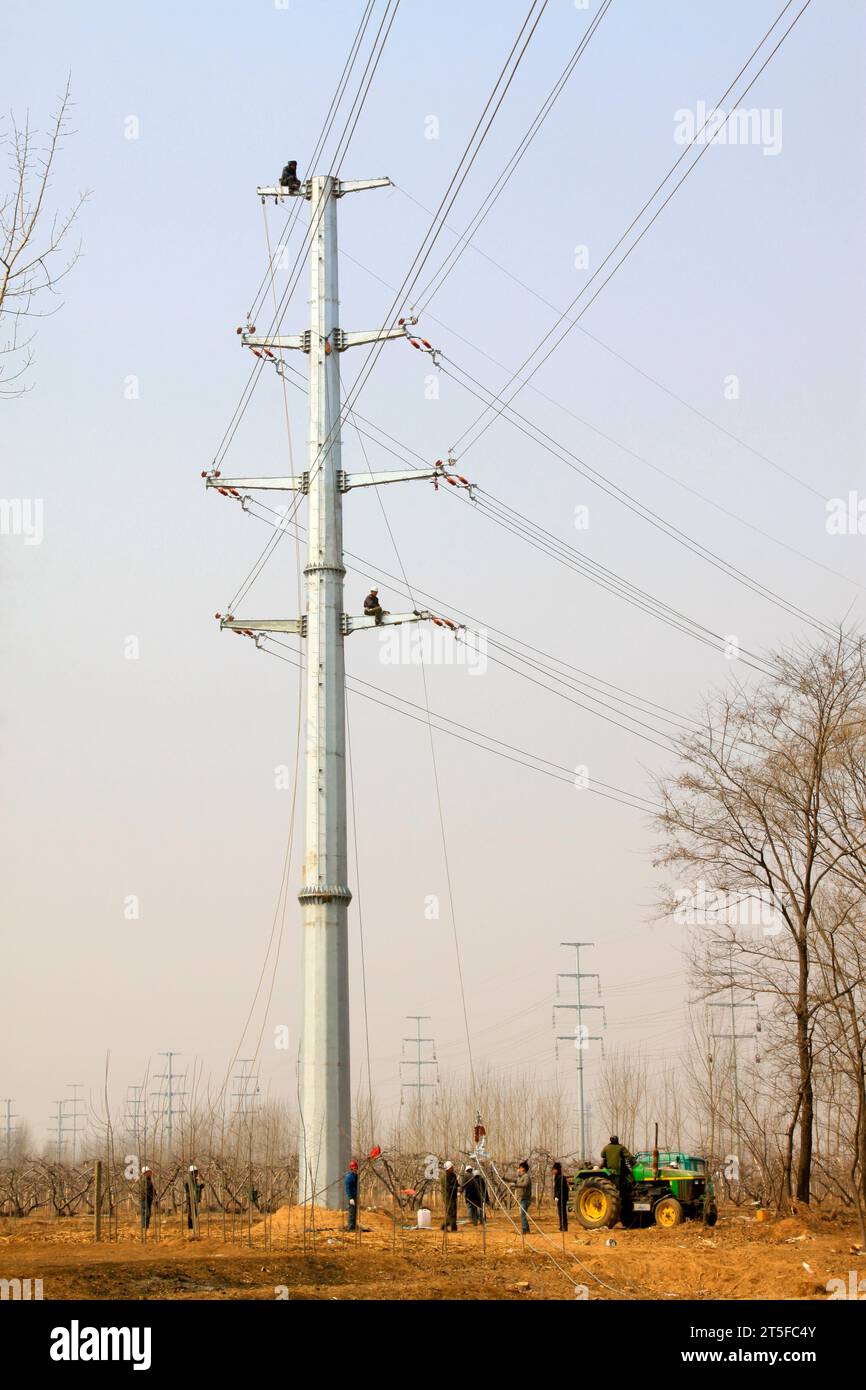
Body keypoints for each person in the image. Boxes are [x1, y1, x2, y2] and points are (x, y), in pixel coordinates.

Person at [439, 1160, 458, 1231]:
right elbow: (448, 1187)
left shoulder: (453, 1175)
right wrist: (455, 1187)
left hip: (453, 1196)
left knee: (454, 1212)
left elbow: (456, 1183)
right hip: (447, 1197)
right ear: (448, 1168)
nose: (453, 1168)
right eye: (451, 1167)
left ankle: (450, 1227)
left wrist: (460, 1187)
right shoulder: (444, 1177)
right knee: (451, 1212)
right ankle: (447, 1226)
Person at [514, 1160, 532, 1235]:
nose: (519, 1169)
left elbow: (525, 1185)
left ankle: (525, 1230)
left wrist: (515, 1185)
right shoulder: (521, 1177)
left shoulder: (526, 1177)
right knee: (522, 1214)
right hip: (522, 1199)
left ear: (523, 1168)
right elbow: (514, 1181)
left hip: (525, 1199)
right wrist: (503, 1178)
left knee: (522, 1214)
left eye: (520, 1168)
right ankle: (527, 1230)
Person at [552, 1161, 569, 1232]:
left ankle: (564, 1227)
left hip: (562, 1198)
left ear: (557, 1170)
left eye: (554, 1169)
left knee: (562, 1213)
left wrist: (557, 1196)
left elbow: (560, 1189)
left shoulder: (560, 1178)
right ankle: (562, 1226)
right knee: (561, 1213)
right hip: (561, 1197)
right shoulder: (557, 1177)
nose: (553, 1171)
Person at [185, 1164, 204, 1231]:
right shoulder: (189, 1181)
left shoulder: (195, 1180)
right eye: (195, 1172)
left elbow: (196, 1189)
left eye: (196, 1172)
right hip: (191, 1199)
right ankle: (190, 1227)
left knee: (195, 1213)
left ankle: (193, 1227)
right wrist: (199, 1187)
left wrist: (200, 1187)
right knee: (191, 1213)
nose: (196, 1173)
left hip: (195, 1199)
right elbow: (192, 1189)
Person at [139, 1165, 155, 1232]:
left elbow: (152, 1189)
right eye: (148, 1172)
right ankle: (144, 1227)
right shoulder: (143, 1181)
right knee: (146, 1213)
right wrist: (152, 1195)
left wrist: (155, 1192)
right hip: (144, 1199)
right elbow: (146, 1190)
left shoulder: (149, 1180)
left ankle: (146, 1227)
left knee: (148, 1214)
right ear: (145, 1173)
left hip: (149, 1199)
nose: (150, 1174)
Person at [345, 1159, 359, 1232]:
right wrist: (350, 1198)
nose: (356, 1169)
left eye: (356, 1168)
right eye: (354, 1168)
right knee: (351, 1212)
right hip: (351, 1197)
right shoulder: (349, 1177)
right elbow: (347, 1188)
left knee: (354, 1212)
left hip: (355, 1196)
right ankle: (350, 1228)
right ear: (351, 1168)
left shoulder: (355, 1175)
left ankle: (353, 1227)